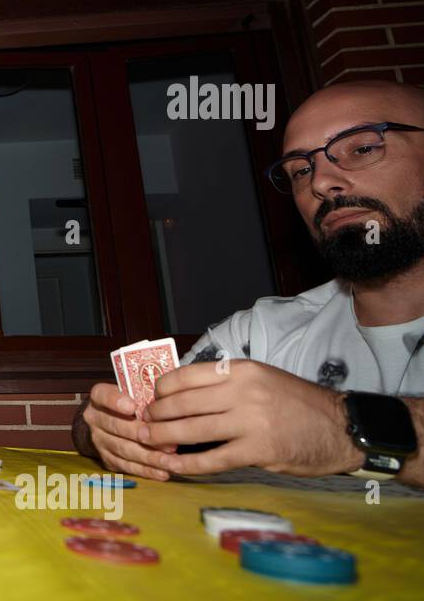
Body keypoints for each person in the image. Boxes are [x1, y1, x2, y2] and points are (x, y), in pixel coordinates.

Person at [75, 80, 424, 488]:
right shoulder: (261, 333)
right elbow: (106, 416)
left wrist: (344, 427)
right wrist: (103, 429)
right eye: (301, 170)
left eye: (362, 148)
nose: (321, 183)